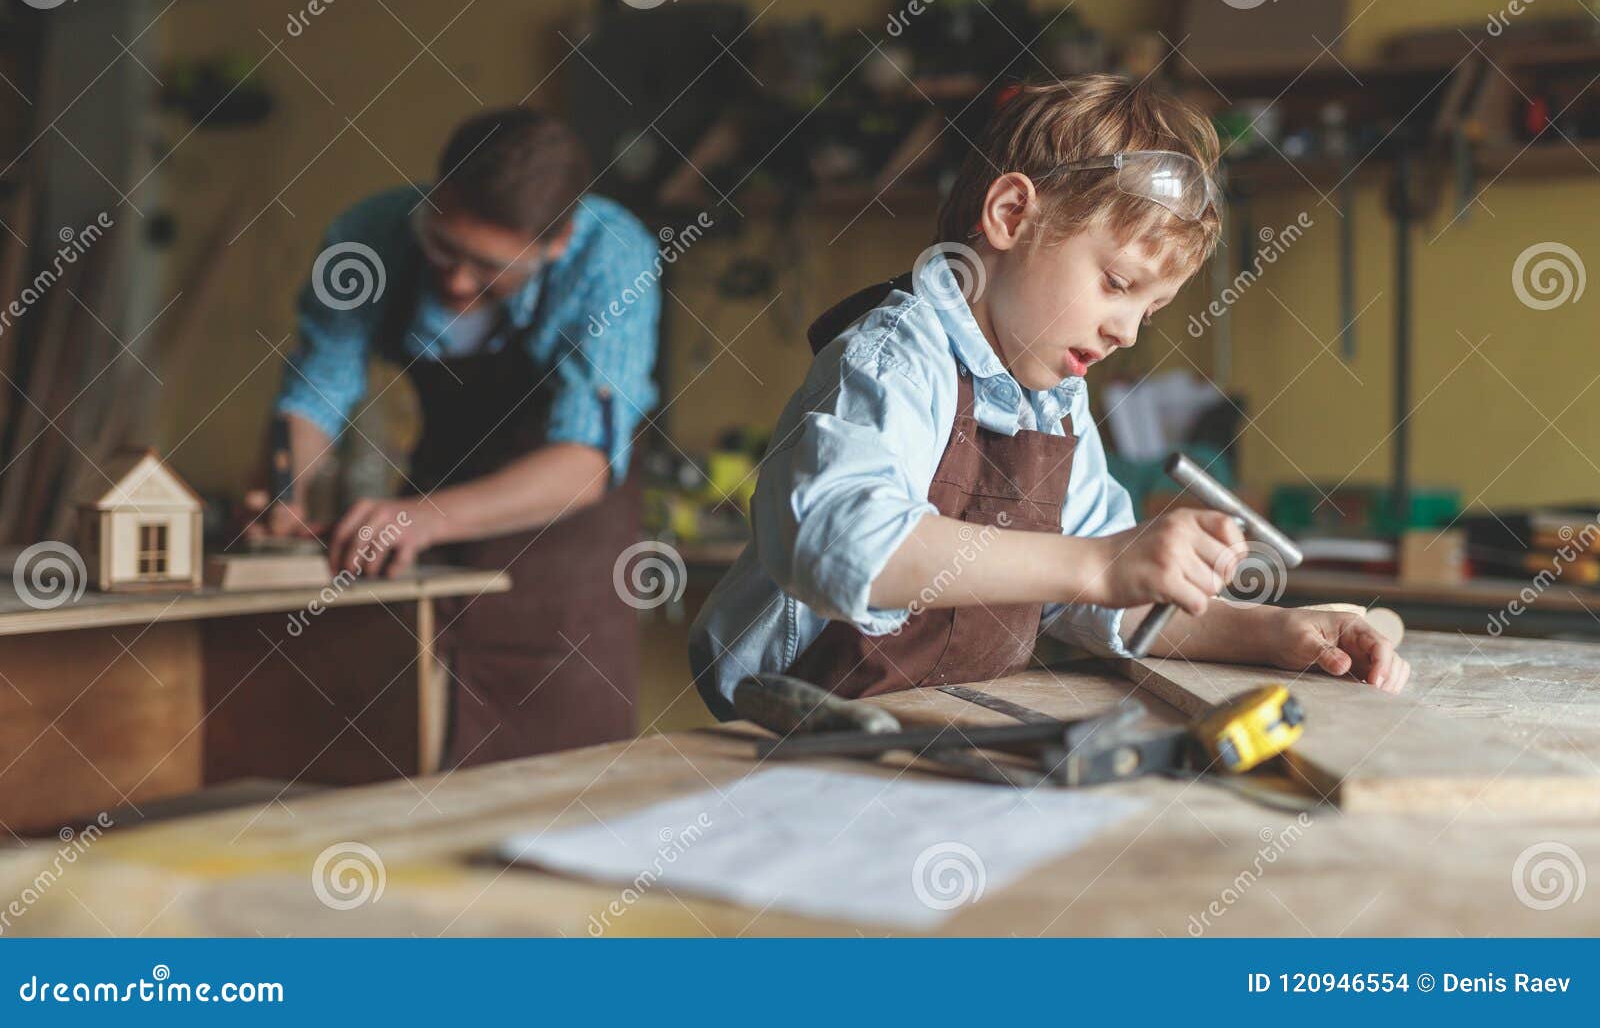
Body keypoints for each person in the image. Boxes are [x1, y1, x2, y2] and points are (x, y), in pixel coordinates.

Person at [690, 75, 1408, 718]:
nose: (1127, 331)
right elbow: (842, 544)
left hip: (929, 735)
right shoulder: (894, 358)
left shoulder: (1056, 401)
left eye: (1151, 310)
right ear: (1010, 214)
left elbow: (1101, 603)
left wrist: (1275, 632)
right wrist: (1099, 561)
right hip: (786, 739)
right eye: (1117, 284)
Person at [254, 107, 662, 765]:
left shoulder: (612, 256)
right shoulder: (371, 233)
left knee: (562, 766)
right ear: (436, 194)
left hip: (564, 530)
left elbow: (584, 461)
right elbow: (315, 391)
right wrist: (286, 492)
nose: (457, 280)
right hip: (438, 503)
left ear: (556, 243)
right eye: (443, 246)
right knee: (401, 736)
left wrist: (424, 518)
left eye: (489, 267)